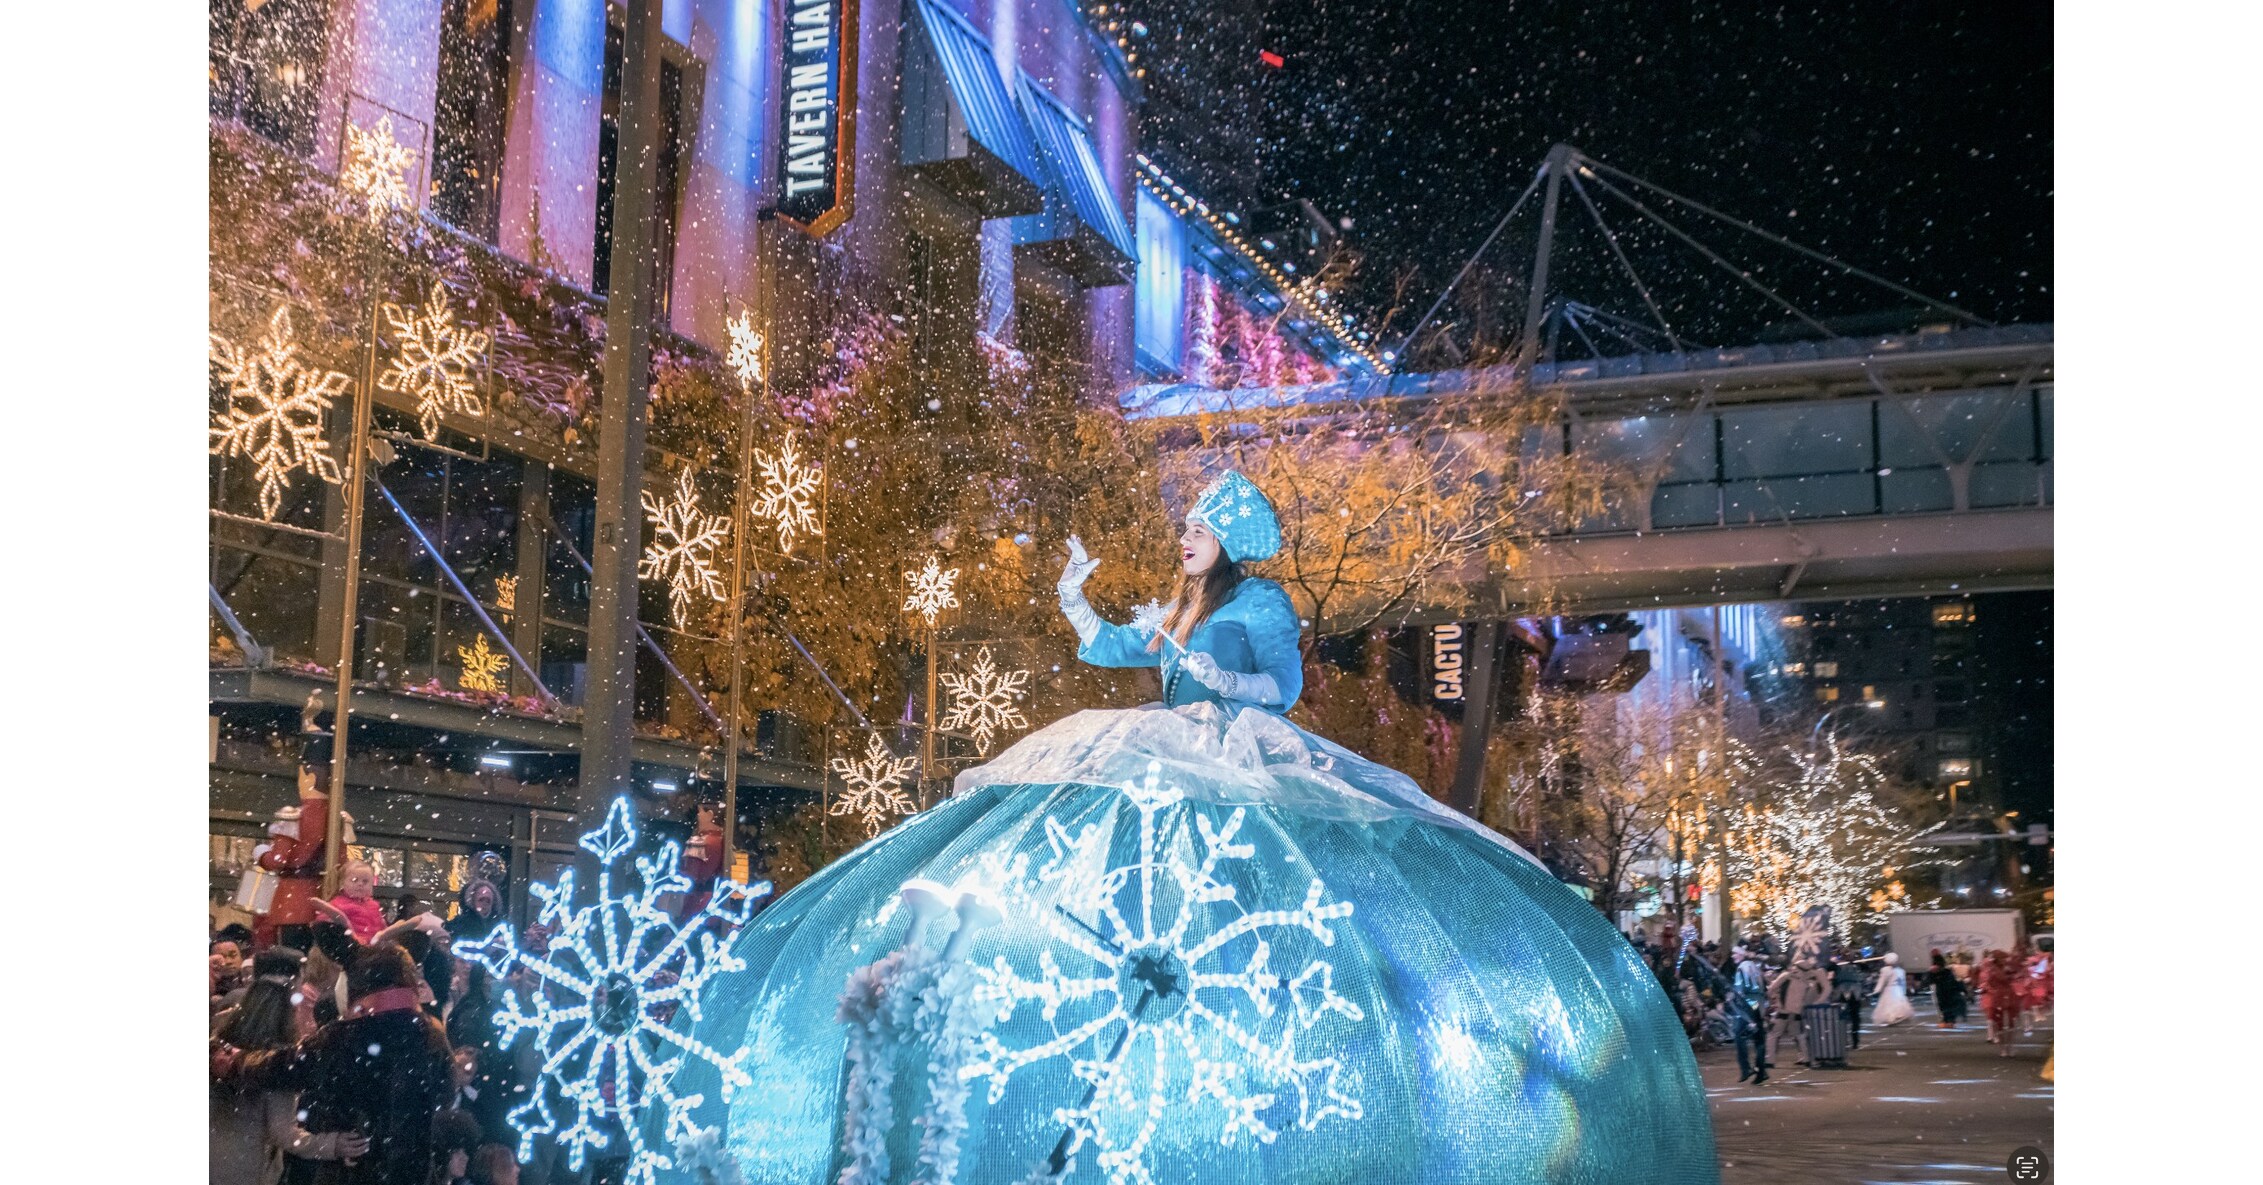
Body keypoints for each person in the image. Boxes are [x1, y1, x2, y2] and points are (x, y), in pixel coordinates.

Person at [669, 471, 1720, 1180]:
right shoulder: (1176, 606)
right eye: (1185, 526)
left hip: (1237, 750)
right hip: (1156, 743)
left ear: (1230, 542)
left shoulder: (1258, 607)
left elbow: (1281, 686)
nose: (1181, 538)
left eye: (1196, 527)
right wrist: (1075, 597)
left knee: (1237, 871)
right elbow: (1112, 648)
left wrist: (1218, 675)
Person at [237, 943, 456, 1184]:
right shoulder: (431, 1034)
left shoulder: (345, 1035)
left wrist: (235, 1061)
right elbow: (446, 1095)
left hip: (355, 1169)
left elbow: (284, 1068)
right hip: (413, 1171)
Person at [210, 946, 370, 1184]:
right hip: (246, 1170)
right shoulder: (277, 1059)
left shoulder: (220, 1033)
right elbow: (284, 1133)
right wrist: (333, 1145)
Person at [329, 860, 387, 945]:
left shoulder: (374, 905)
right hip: (351, 947)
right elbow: (325, 926)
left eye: (365, 881)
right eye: (354, 880)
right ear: (342, 883)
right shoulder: (337, 905)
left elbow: (381, 927)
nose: (360, 884)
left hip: (375, 947)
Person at [1830, 956, 1866, 1050]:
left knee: (1842, 1018)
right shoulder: (1855, 968)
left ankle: (1844, 1040)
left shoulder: (1839, 968)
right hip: (1853, 993)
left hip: (1842, 992)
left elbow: (1834, 980)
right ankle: (1854, 1042)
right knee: (1854, 1018)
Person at [1871, 952, 1915, 1026]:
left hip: (1888, 989)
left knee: (1888, 1004)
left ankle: (1891, 1018)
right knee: (1899, 1003)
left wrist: (1877, 990)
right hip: (1898, 989)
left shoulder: (1885, 970)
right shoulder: (1900, 970)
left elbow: (1882, 981)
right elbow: (1903, 982)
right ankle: (1899, 1015)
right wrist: (1904, 991)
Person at [1930, 950, 1968, 1028]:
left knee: (1944, 1005)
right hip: (1947, 990)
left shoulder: (1939, 970)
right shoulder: (1947, 971)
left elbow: (1931, 979)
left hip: (1943, 990)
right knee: (1948, 1005)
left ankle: (1948, 1021)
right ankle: (1949, 1021)